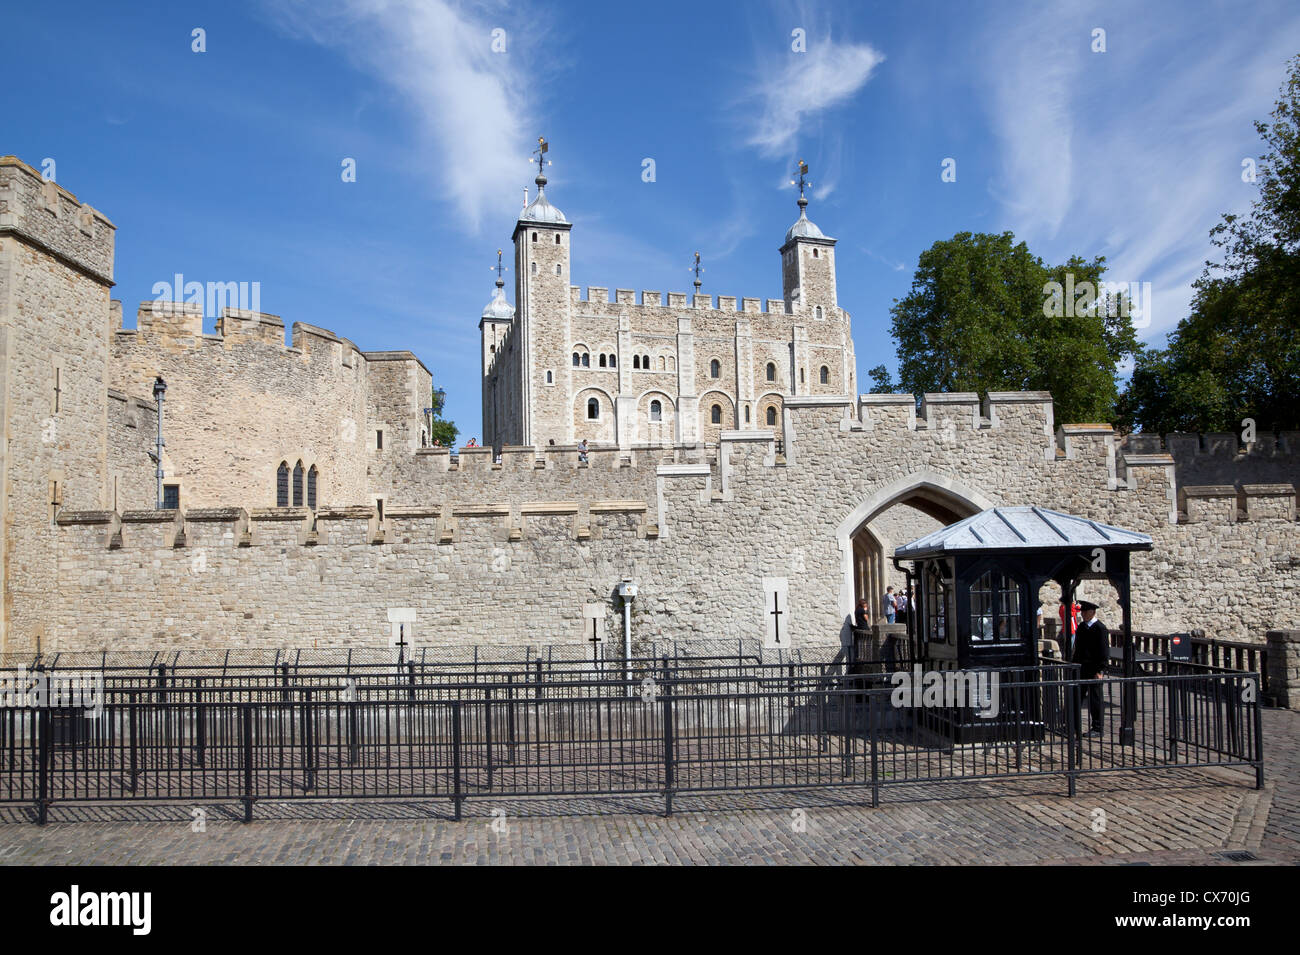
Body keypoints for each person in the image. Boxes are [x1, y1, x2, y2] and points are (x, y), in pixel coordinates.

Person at [1071, 600, 1109, 737]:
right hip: (1082, 667)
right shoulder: (1081, 627)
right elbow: (1078, 649)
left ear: (1092, 612)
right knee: (1077, 696)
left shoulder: (1100, 628)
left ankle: (1098, 727)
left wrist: (1100, 670)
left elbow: (1104, 651)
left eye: (1085, 612)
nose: (1083, 614)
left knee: (1095, 698)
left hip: (1094, 668)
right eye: (1082, 612)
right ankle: (1074, 724)